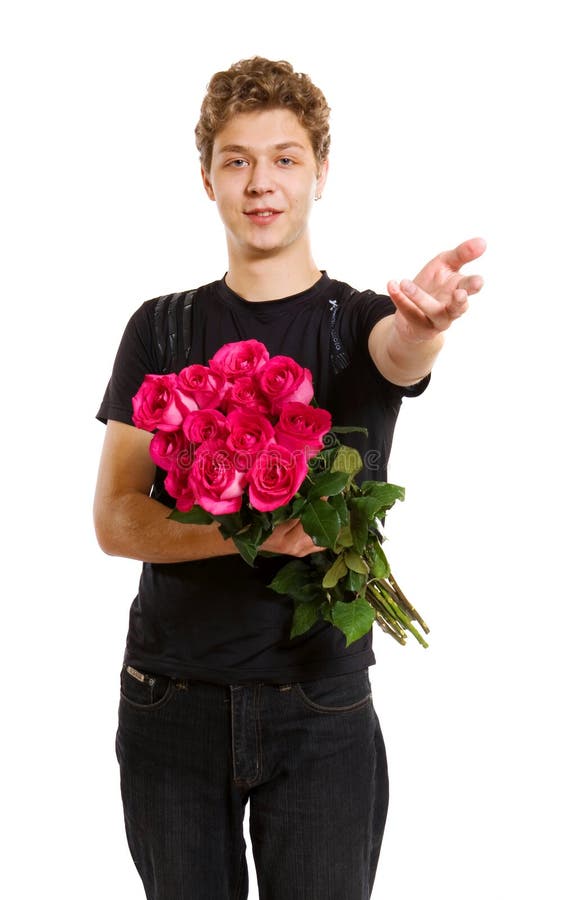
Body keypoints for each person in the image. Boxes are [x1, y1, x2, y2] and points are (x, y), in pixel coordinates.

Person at [94, 56, 485, 900]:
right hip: (171, 701)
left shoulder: (359, 324)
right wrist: (250, 534)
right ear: (207, 178)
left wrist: (426, 327)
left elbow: (401, 353)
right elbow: (116, 521)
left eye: (284, 158)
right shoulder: (159, 331)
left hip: (320, 707)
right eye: (236, 160)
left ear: (319, 172)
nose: (260, 182)